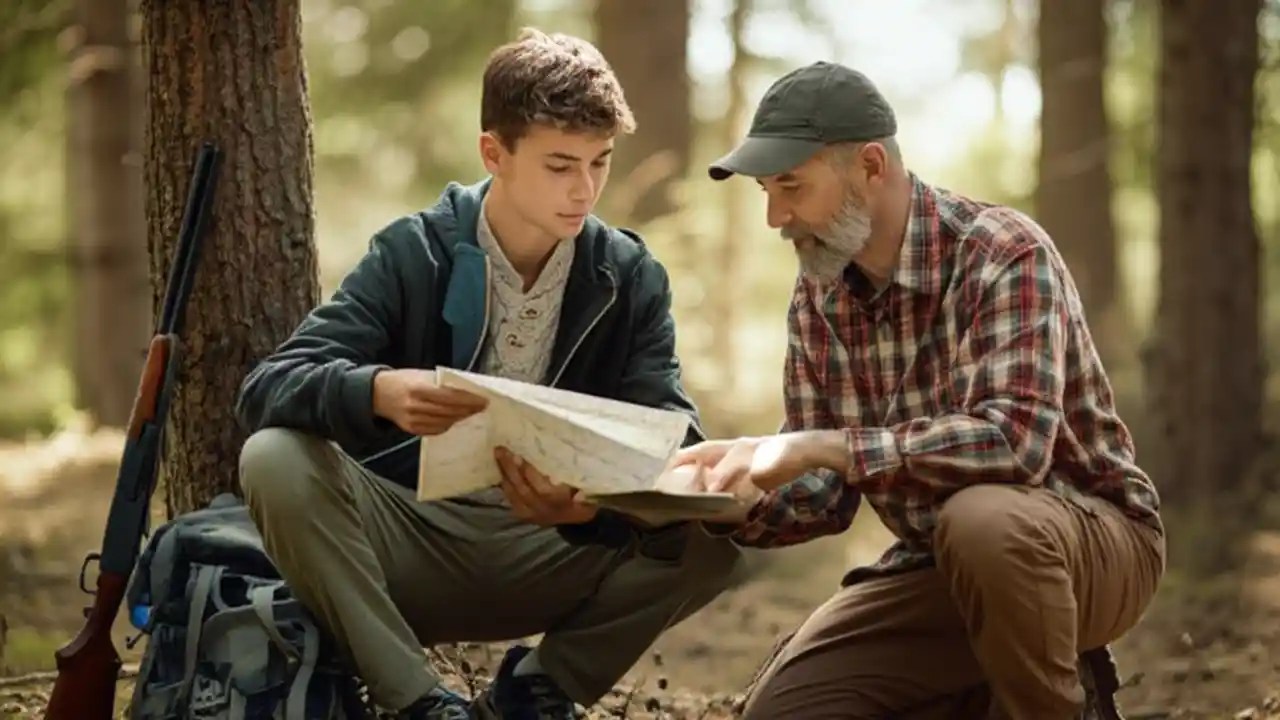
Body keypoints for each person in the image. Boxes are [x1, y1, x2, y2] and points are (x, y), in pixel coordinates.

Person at [233, 28, 741, 720]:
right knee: (274, 457)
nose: (585, 189)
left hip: (555, 545)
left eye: (600, 162)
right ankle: (417, 703)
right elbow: (266, 388)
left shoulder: (627, 276)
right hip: (407, 541)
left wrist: (590, 507)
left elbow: (671, 437)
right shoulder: (415, 252)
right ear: (493, 153)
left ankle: (538, 694)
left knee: (720, 518)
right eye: (560, 165)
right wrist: (378, 391)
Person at [673, 61, 1165, 719]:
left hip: (1092, 546)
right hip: (937, 565)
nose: (775, 216)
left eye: (791, 185)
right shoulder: (819, 297)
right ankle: (994, 690)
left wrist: (834, 446)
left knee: (984, 521)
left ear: (872, 167)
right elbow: (822, 496)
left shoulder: (1003, 253)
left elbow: (1015, 444)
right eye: (766, 189)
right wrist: (728, 499)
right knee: (785, 712)